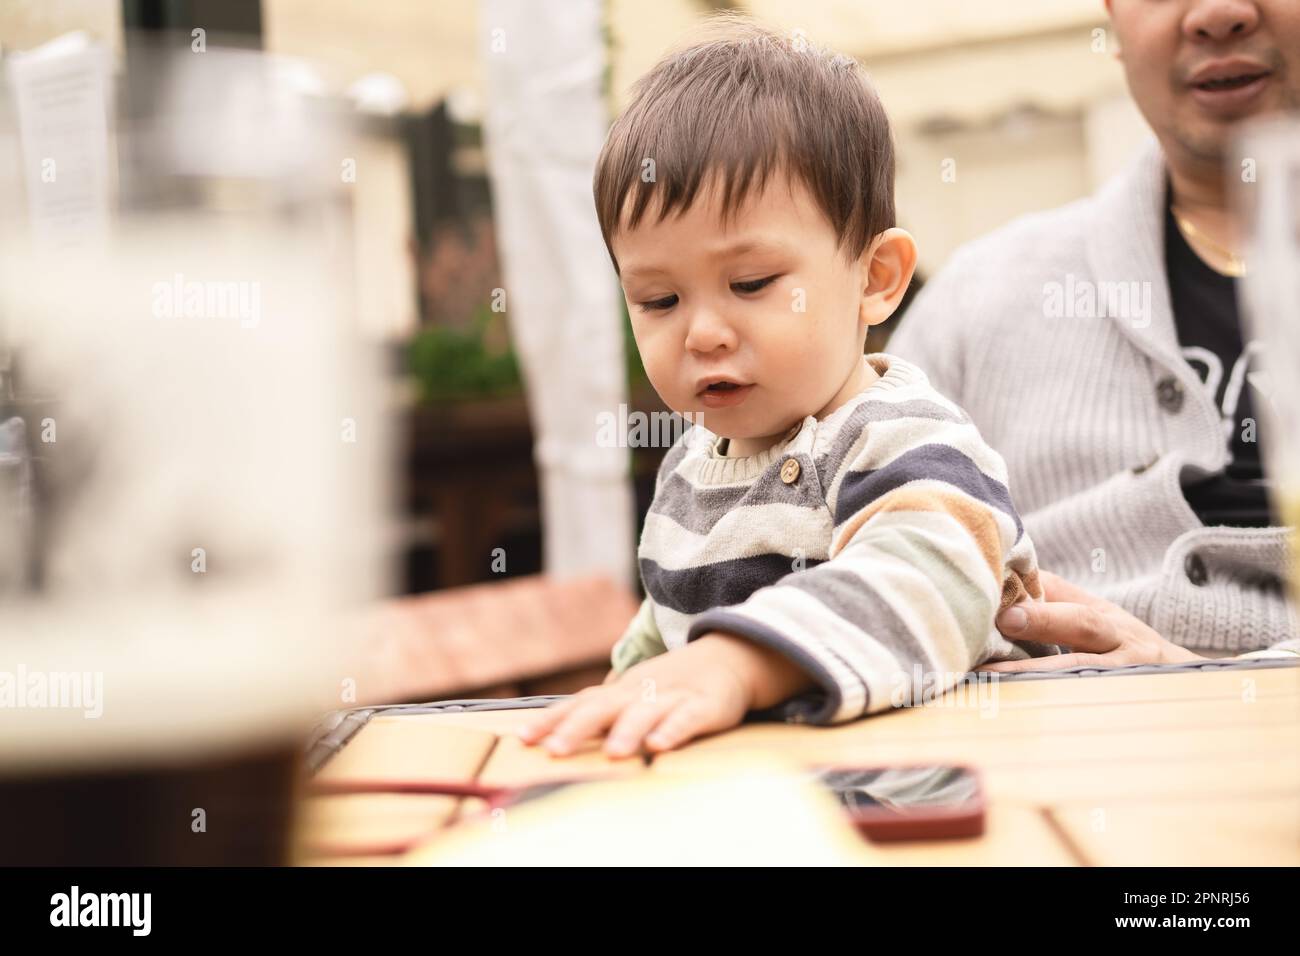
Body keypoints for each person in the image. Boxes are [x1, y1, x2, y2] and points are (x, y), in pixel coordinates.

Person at [519, 16, 1053, 760]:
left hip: (957, 781)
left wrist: (739, 662)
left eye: (750, 283)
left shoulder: (905, 438)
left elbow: (932, 575)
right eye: (659, 300)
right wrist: (622, 701)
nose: (702, 332)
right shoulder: (689, 469)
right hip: (783, 793)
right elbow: (667, 626)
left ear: (874, 279)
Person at [888, 0, 1299, 671]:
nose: (1218, 14)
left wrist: (1207, 677)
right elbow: (830, 550)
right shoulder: (976, 299)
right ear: (1112, 17)